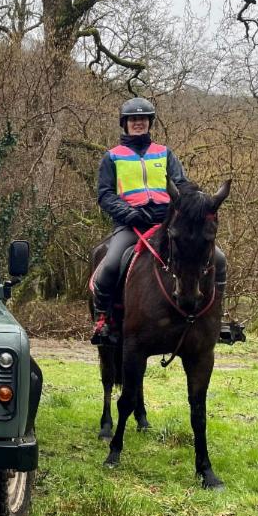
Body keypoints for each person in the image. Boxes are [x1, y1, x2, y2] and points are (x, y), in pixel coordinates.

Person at [90, 97, 227, 345]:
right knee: (109, 264)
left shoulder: (164, 153)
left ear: (150, 122)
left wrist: (195, 204)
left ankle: (219, 314)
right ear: (125, 124)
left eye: (142, 119)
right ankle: (104, 319)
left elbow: (182, 185)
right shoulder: (112, 157)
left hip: (165, 223)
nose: (138, 123)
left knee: (218, 257)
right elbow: (105, 195)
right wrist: (127, 212)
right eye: (133, 119)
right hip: (130, 224)